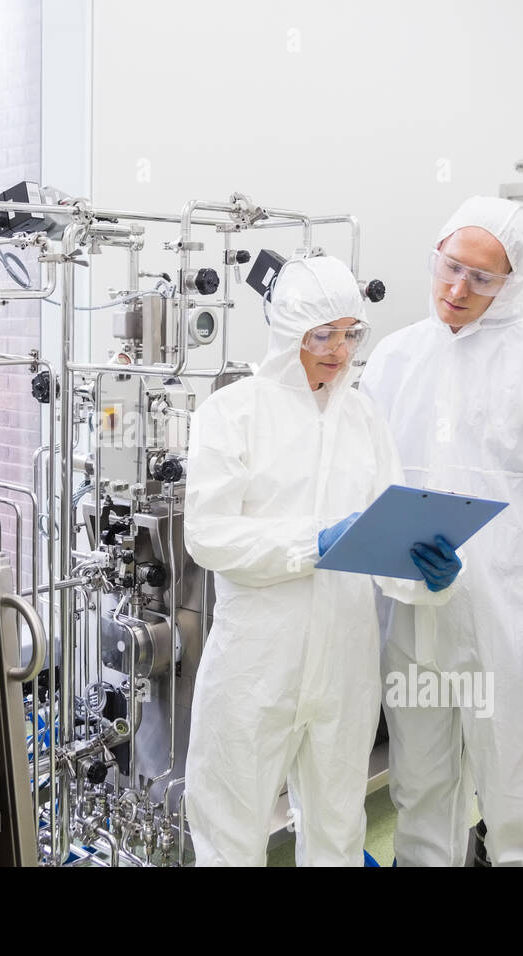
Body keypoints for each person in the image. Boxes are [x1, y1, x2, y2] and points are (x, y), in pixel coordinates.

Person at [360, 196, 523, 866]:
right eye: (451, 268)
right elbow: (367, 485)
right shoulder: (393, 359)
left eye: (482, 279)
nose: (458, 289)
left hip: (511, 623)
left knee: (521, 792)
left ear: (510, 285)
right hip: (413, 616)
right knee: (420, 786)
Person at [183, 254, 462, 867]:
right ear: (289, 334)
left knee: (337, 831)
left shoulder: (364, 418)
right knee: (231, 832)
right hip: (256, 665)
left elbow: (387, 536)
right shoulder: (232, 414)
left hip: (344, 662)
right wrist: (314, 545)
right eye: (323, 335)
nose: (340, 350)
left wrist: (423, 574)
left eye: (350, 334)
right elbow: (208, 536)